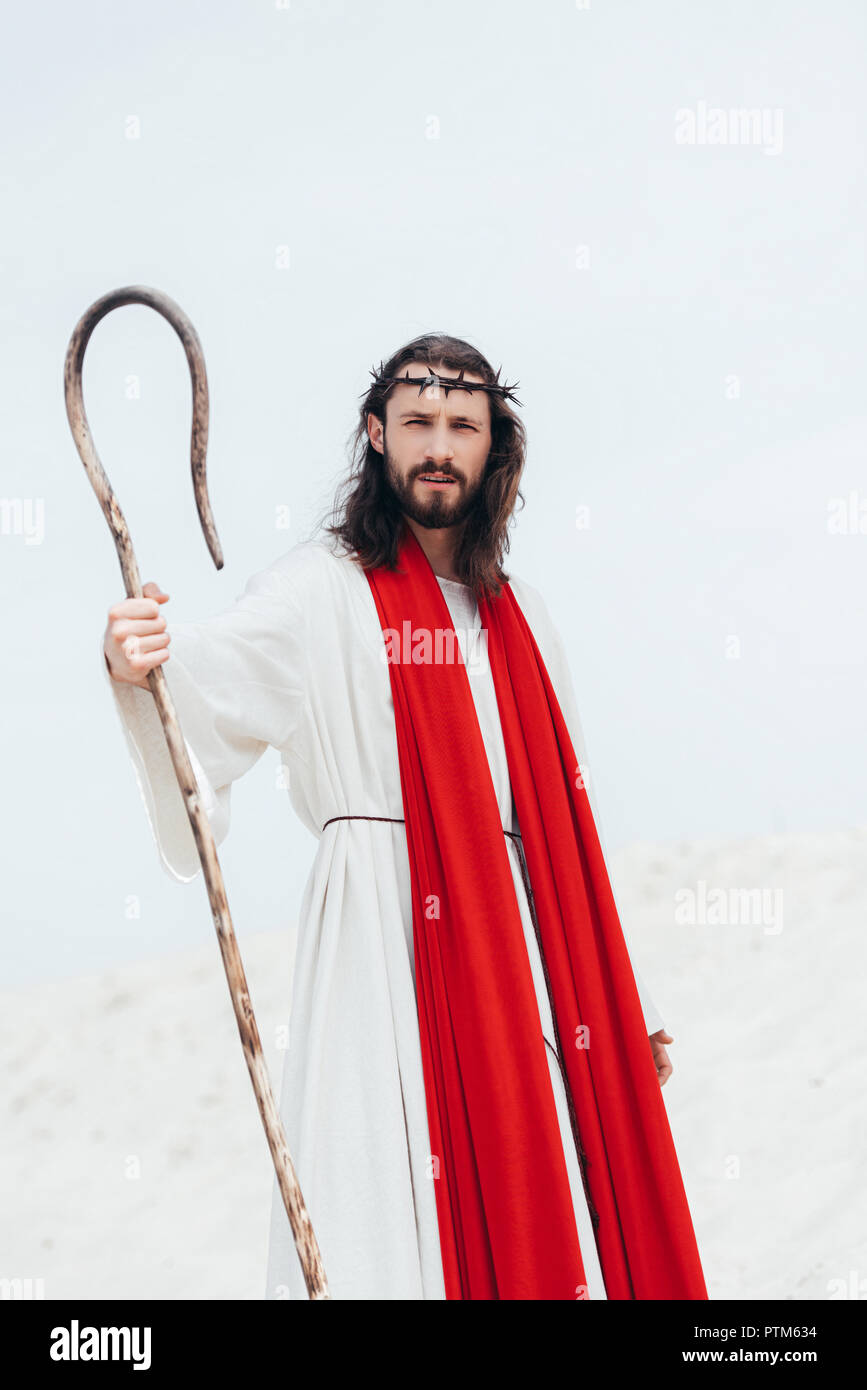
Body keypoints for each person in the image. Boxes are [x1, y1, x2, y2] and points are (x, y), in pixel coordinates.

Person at [101, 332, 706, 1300]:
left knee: (544, 1177)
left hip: (526, 942)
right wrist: (144, 663)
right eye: (418, 422)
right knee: (383, 1187)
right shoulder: (321, 584)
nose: (439, 444)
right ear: (376, 436)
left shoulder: (523, 614)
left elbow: (566, 825)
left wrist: (625, 1004)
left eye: (462, 426)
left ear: (492, 449)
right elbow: (206, 682)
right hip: (384, 936)